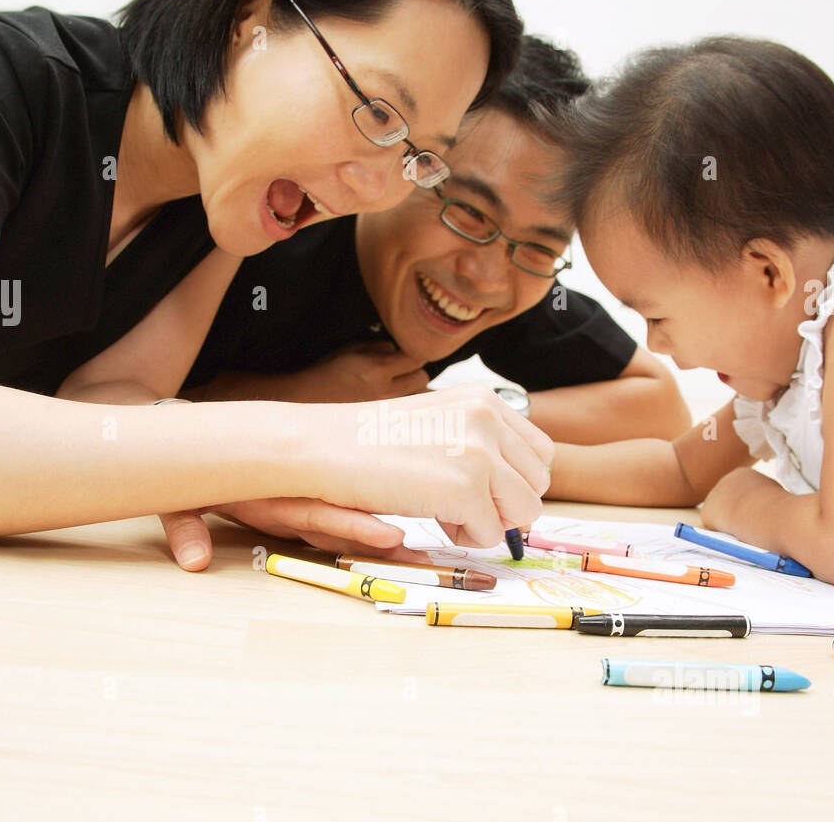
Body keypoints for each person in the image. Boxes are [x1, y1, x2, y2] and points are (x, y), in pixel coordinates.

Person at [0, 0, 554, 565]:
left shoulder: (218, 190)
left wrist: (241, 475)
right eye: (377, 111)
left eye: (416, 157)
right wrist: (299, 444)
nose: (377, 191)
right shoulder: (2, 85)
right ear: (248, 16)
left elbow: (110, 392)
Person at [180, 37, 689, 505]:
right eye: (468, 213)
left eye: (540, 246)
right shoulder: (263, 228)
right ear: (403, 162)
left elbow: (661, 410)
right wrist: (300, 407)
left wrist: (449, 415)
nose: (486, 277)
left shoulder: (513, 283)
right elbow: (112, 401)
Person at [544, 36, 834, 586]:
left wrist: (748, 502)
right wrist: (525, 462)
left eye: (656, 317)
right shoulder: (785, 365)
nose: (655, 345)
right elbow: (683, 469)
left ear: (768, 274)